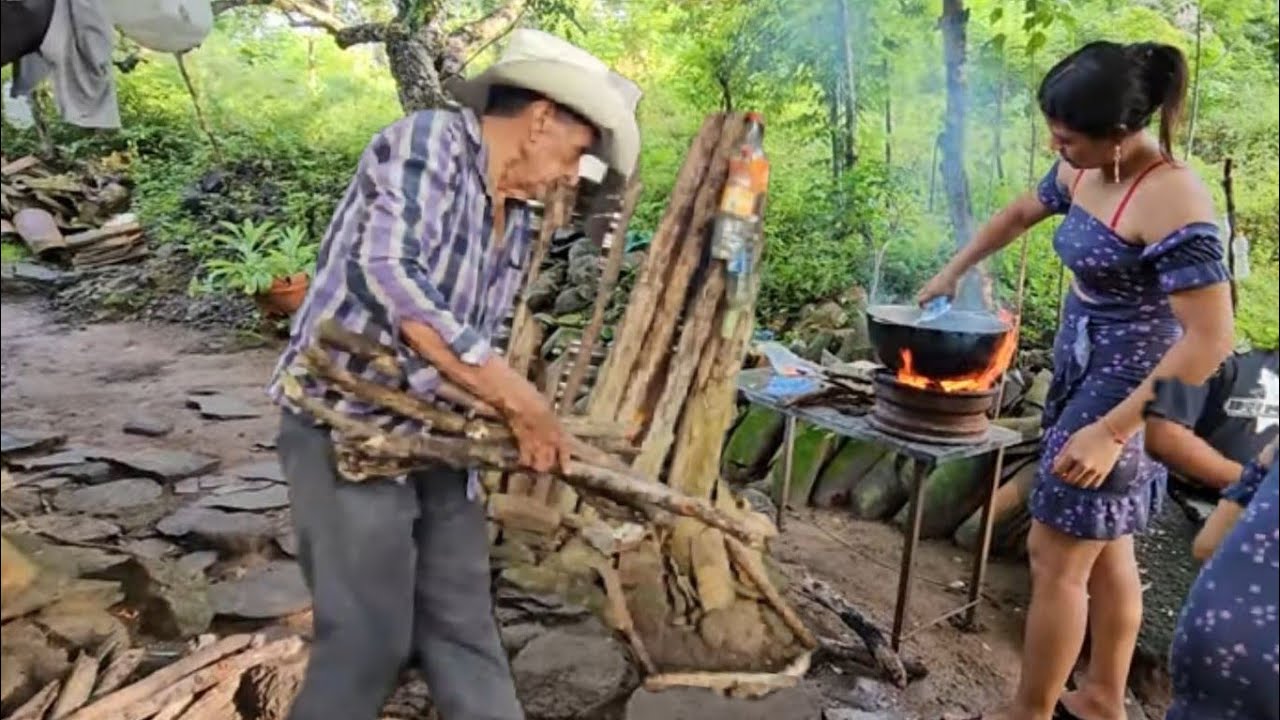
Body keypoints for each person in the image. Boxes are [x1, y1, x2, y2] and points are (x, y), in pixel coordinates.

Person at [266, 29, 640, 720]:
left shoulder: (520, 218)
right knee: (367, 642)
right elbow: (392, 275)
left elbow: (478, 340)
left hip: (438, 441)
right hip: (348, 431)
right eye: (578, 153)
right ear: (540, 121)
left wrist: (509, 420)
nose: (572, 174)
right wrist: (518, 399)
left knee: (464, 623)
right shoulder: (428, 142)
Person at [918, 41, 1235, 720]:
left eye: (1067, 138)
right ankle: (1100, 698)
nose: (1057, 148)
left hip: (1137, 393)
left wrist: (1113, 431)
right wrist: (953, 270)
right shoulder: (1085, 167)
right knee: (1110, 542)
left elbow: (1213, 339)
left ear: (1122, 132)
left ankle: (1026, 713)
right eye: (1052, 134)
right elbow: (1016, 215)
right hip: (1083, 370)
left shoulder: (1174, 196)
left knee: (1055, 559)